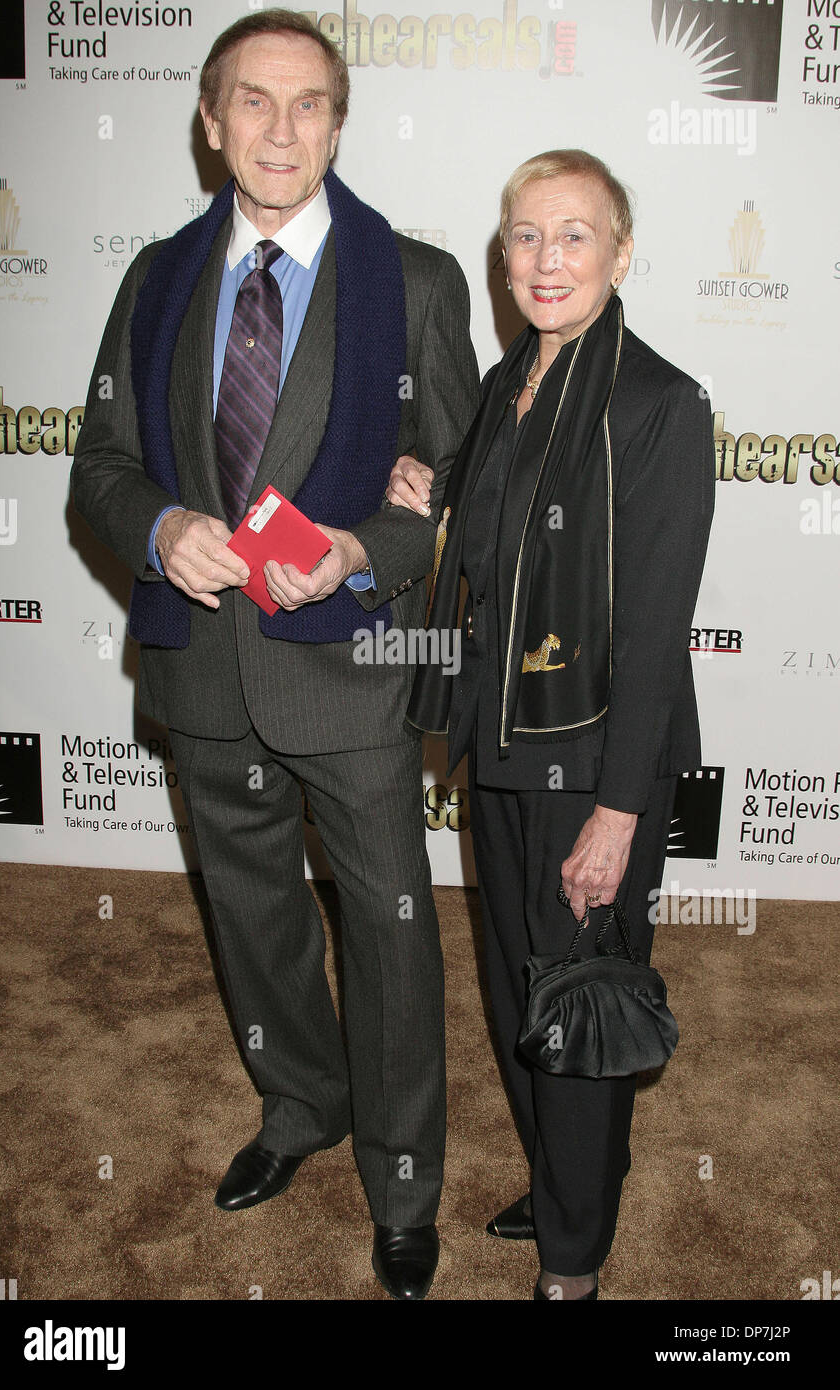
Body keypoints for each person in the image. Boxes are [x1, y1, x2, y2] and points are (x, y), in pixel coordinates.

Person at [70, 9, 478, 1301]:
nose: (282, 129)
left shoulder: (413, 280)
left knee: (391, 928)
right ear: (211, 122)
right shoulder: (156, 279)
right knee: (251, 916)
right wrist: (163, 524)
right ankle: (300, 1102)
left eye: (309, 105)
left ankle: (405, 1177)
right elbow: (99, 473)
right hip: (202, 667)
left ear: (340, 124)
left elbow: (458, 480)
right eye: (255, 102)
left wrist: (367, 546)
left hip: (348, 667)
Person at [387, 149, 715, 1300]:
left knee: (579, 999)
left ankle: (573, 1262)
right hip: (501, 748)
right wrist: (429, 490)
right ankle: (570, 1181)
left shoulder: (658, 403)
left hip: (594, 766)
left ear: (620, 254)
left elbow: (651, 635)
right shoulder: (503, 383)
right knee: (523, 995)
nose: (545, 257)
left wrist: (617, 818)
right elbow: (490, 534)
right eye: (524, 234)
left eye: (573, 234)